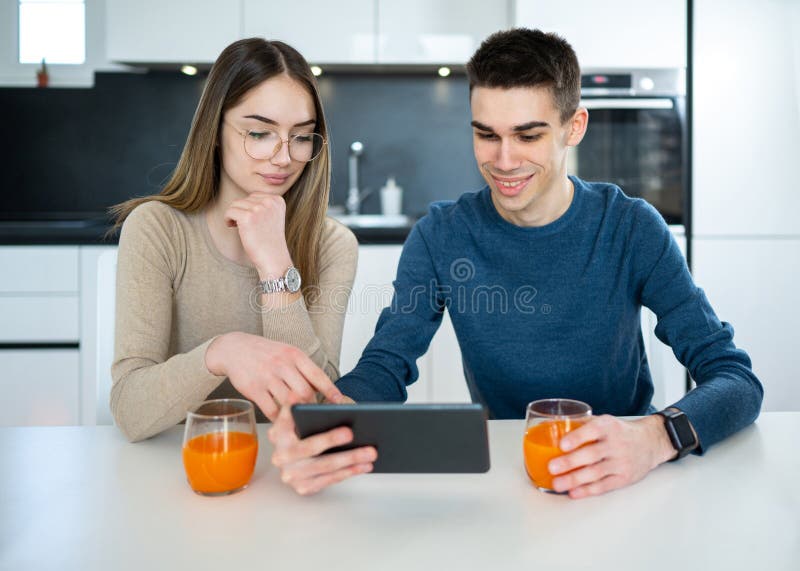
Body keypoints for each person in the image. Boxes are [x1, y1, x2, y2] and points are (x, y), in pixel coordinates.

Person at [268, 28, 763, 498]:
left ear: (574, 127)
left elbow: (735, 379)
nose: (503, 161)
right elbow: (386, 363)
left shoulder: (631, 227)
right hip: (507, 473)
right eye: (487, 135)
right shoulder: (442, 235)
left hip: (625, 476)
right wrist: (328, 419)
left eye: (527, 136)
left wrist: (656, 437)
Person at [110, 38, 353, 442]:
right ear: (216, 131)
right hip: (178, 467)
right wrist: (221, 352)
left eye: (302, 136)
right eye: (259, 133)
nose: (283, 157)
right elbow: (130, 411)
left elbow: (316, 408)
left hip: (286, 471)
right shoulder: (157, 228)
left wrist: (276, 266)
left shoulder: (333, 244)